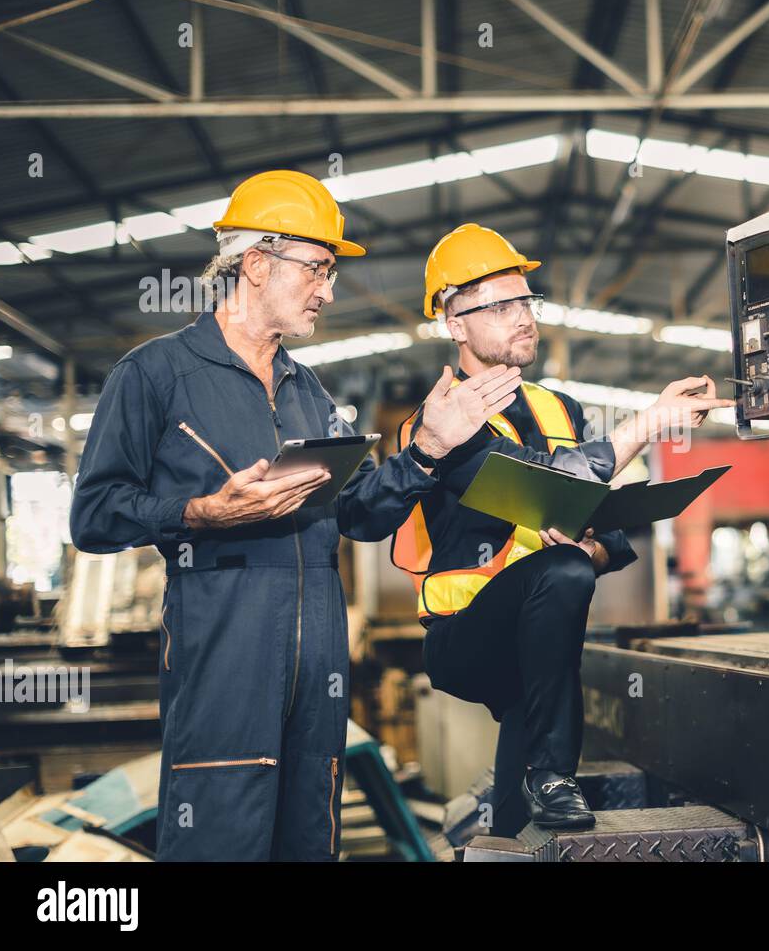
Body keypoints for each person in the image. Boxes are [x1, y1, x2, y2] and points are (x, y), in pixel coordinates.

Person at [69, 172, 522, 860]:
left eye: (330, 272)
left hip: (319, 678)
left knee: (311, 841)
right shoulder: (156, 375)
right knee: (219, 838)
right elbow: (94, 515)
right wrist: (202, 512)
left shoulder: (309, 390)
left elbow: (363, 515)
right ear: (255, 264)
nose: (329, 290)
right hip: (224, 665)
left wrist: (427, 448)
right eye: (318, 269)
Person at [393, 223, 732, 834]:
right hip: (466, 636)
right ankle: (553, 774)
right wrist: (647, 423)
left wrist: (596, 546)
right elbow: (537, 482)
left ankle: (514, 826)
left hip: (539, 625)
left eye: (526, 300)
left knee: (566, 581)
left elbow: (594, 517)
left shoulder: (560, 410)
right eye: (500, 305)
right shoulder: (439, 421)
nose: (523, 317)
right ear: (454, 322)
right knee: (563, 569)